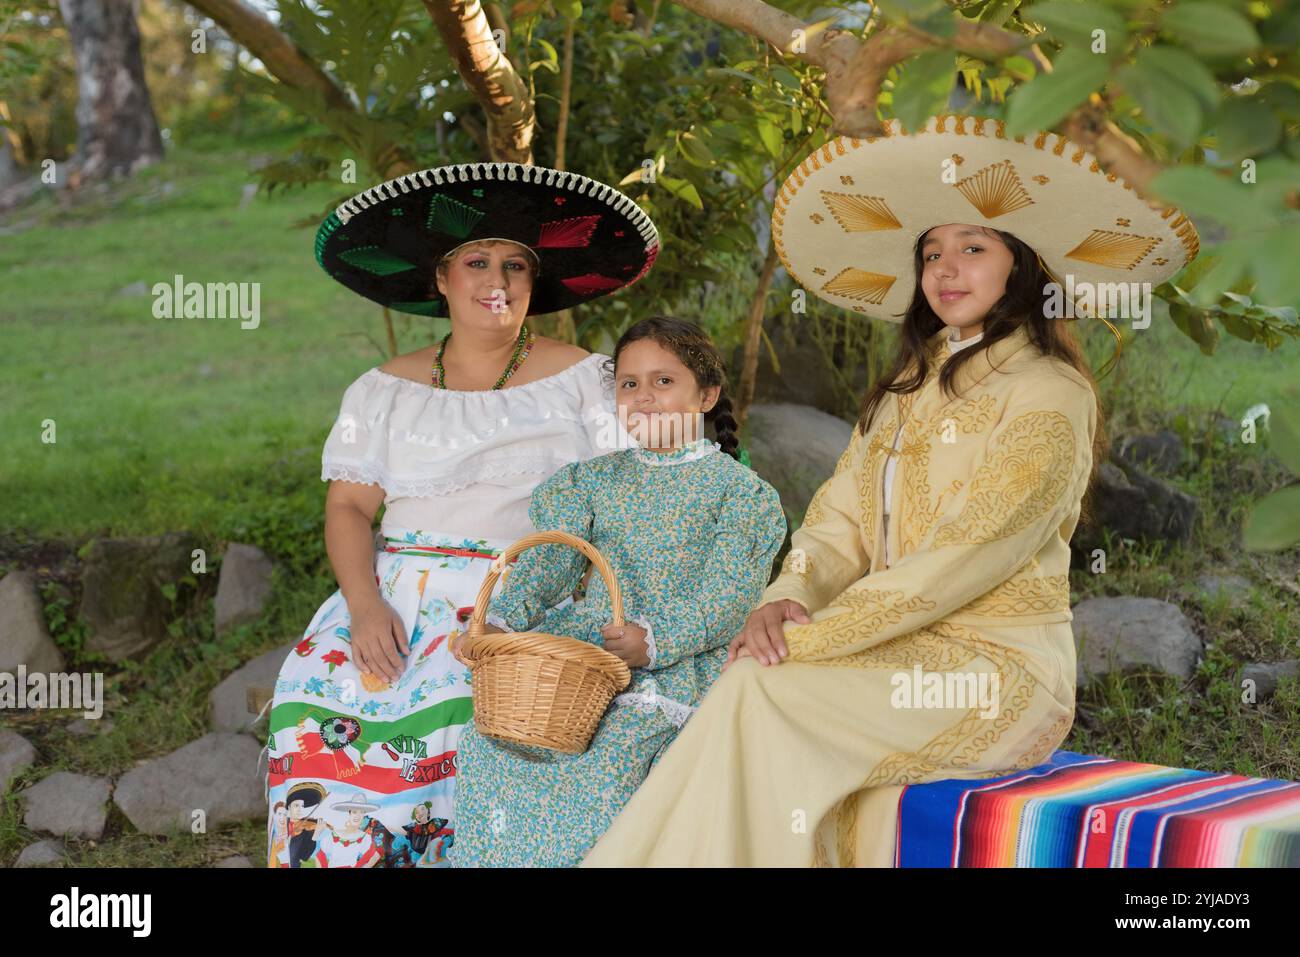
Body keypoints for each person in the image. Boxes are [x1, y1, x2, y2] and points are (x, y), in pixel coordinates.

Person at [582, 113, 1200, 867]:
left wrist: (819, 635)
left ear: (1023, 266)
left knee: (762, 687)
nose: (946, 267)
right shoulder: (906, 390)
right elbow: (837, 516)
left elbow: (968, 552)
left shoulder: (1051, 392)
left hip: (997, 671)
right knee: (752, 678)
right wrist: (786, 598)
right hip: (892, 650)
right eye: (932, 251)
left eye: (974, 247)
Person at [265, 161, 659, 867]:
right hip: (396, 596)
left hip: (521, 601)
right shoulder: (383, 389)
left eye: (515, 265)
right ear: (441, 278)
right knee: (311, 705)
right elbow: (350, 505)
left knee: (466, 714)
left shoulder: (588, 382)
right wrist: (362, 604)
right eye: (476, 261)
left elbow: (631, 505)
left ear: (534, 284)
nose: (497, 281)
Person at [448, 317, 787, 867]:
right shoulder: (592, 481)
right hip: (583, 658)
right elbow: (550, 560)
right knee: (492, 742)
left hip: (670, 660)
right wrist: (500, 624)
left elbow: (729, 596)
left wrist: (653, 641)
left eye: (663, 382)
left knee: (610, 754)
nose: (644, 397)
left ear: (706, 395)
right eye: (629, 384)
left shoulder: (740, 494)